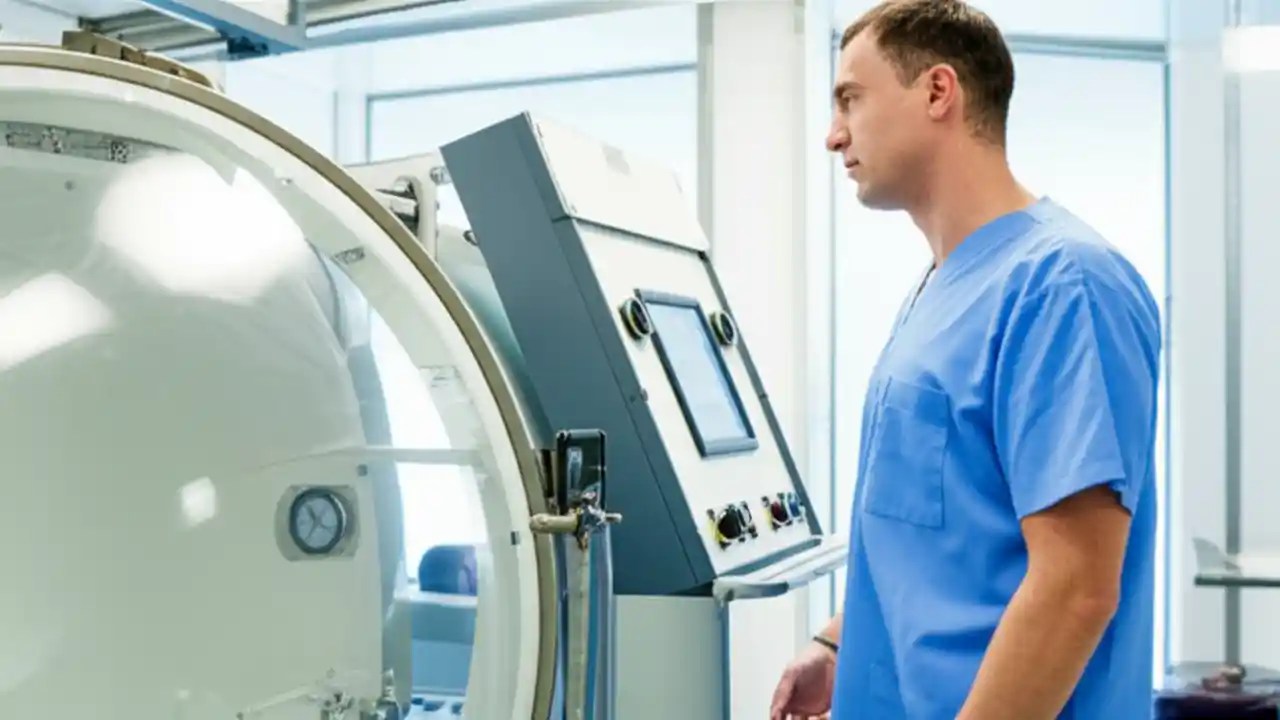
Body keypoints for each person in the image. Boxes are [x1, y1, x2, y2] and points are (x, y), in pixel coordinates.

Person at [769, 1, 1162, 719]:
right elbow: (941, 536)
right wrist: (838, 645)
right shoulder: (938, 291)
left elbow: (1075, 587)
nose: (834, 134)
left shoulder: (1063, 284)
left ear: (937, 91)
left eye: (851, 99)